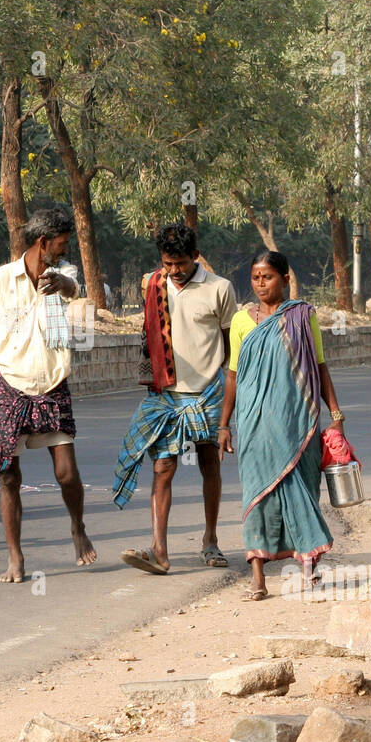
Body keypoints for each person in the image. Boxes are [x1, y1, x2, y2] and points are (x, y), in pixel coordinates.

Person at [0, 210, 97, 583]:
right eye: (62, 243)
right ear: (43, 243)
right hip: (7, 383)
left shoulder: (63, 273)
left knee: (66, 472)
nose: (65, 249)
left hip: (51, 382)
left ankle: (77, 526)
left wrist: (62, 285)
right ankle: (15, 557)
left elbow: (72, 289)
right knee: (8, 476)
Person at [219, 250, 347, 599]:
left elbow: (319, 366)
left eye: (268, 277)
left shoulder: (303, 317)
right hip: (255, 422)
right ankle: (258, 580)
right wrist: (224, 424)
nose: (261, 284)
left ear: (285, 278)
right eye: (255, 278)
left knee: (302, 490)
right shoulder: (242, 321)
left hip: (297, 422)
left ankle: (308, 569)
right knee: (256, 495)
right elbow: (232, 375)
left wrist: (336, 416)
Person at [113, 222, 237, 574]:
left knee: (209, 464)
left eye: (180, 264)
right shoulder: (154, 285)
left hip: (209, 393)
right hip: (166, 395)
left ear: (195, 257)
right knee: (162, 467)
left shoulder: (220, 289)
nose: (173, 271)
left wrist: (227, 394)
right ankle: (159, 550)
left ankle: (210, 541)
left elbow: (232, 346)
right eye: (167, 264)